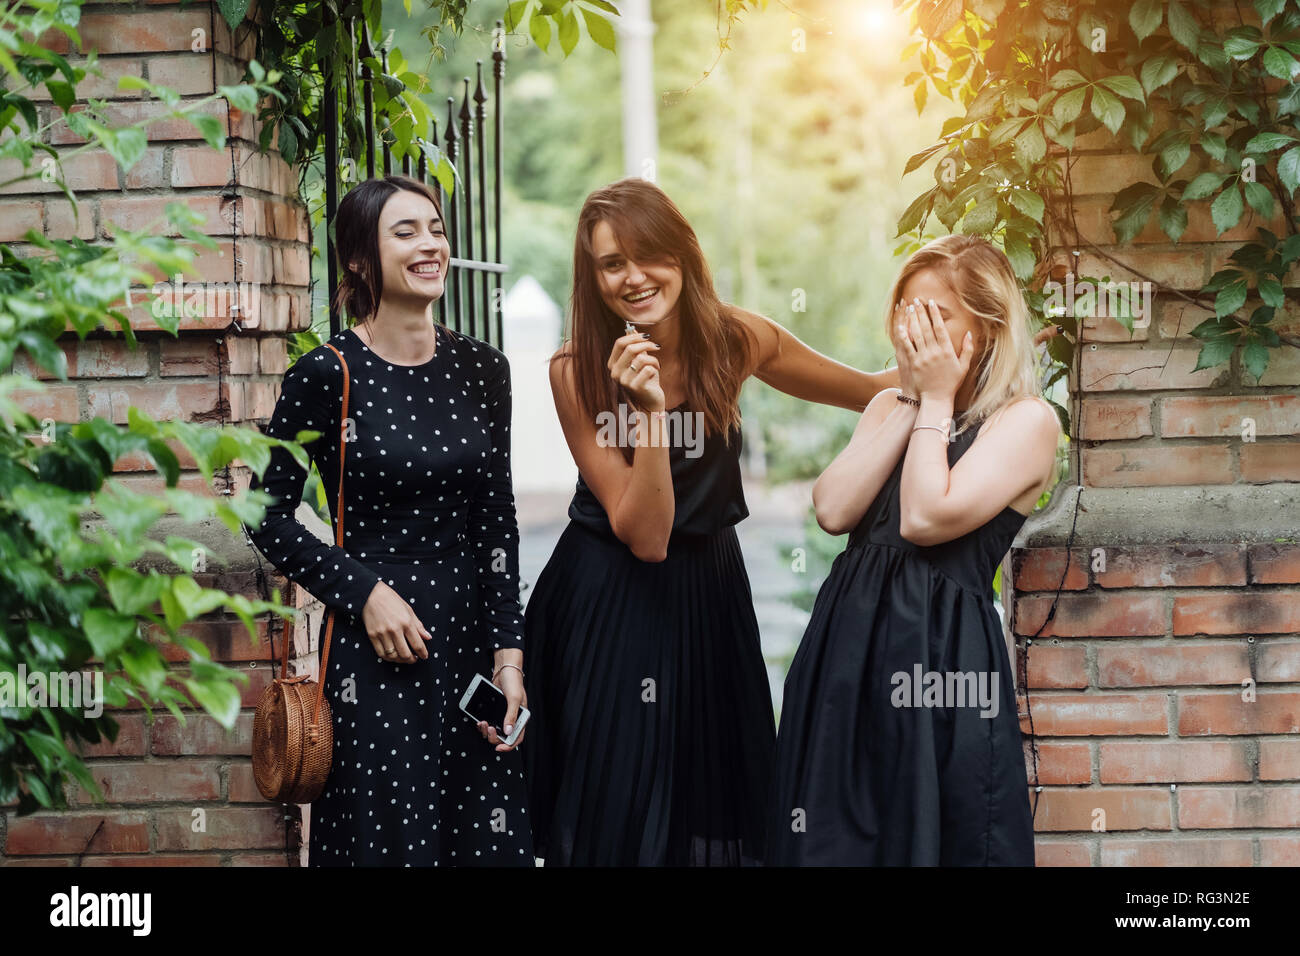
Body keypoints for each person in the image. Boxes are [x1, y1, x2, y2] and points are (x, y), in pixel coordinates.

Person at [521, 177, 902, 865]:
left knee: (709, 809)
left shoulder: (735, 340)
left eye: (649, 255)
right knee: (618, 808)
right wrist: (648, 414)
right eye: (612, 263)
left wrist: (978, 355)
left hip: (709, 597)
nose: (634, 277)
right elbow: (647, 535)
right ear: (593, 276)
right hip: (609, 600)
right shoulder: (575, 370)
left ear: (682, 254)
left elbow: (874, 390)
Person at [247, 175, 532, 866]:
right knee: (388, 846)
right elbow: (265, 514)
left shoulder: (483, 370)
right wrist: (364, 592)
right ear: (358, 260)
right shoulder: (327, 373)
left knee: (481, 844)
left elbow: (497, 524)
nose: (430, 244)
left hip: (468, 650)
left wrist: (510, 658)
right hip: (376, 656)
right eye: (405, 232)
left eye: (435, 228)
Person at [764, 234, 1060, 866]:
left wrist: (936, 397)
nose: (916, 329)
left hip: (939, 662)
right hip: (848, 656)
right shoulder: (888, 406)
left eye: (937, 314)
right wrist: (912, 398)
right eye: (907, 313)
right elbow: (833, 508)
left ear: (988, 323)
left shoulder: (1026, 421)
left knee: (934, 834)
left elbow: (927, 516)